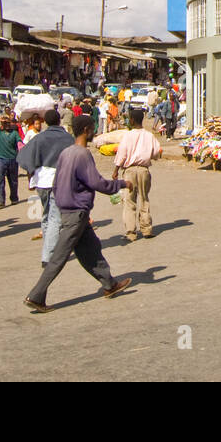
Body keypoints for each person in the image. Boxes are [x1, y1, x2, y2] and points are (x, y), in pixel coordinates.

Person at [24, 118, 133, 312]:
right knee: (59, 256)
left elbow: (56, 183)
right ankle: (36, 295)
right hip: (76, 212)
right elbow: (97, 183)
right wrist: (122, 184)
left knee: (90, 249)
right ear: (85, 130)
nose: (93, 132)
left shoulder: (66, 153)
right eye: (91, 129)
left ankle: (109, 284)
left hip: (69, 208)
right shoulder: (83, 155)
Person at [17, 108, 72, 265]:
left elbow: (23, 157)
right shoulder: (67, 138)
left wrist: (33, 171)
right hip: (58, 181)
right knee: (55, 218)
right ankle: (48, 256)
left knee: (47, 216)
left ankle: (47, 248)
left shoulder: (39, 138)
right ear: (59, 121)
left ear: (45, 122)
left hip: (41, 182)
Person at [110, 110, 159, 241]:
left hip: (130, 171)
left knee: (129, 200)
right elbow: (156, 153)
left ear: (132, 120)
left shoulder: (128, 136)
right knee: (144, 198)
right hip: (144, 170)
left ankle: (131, 232)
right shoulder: (149, 136)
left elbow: (122, 154)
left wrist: (116, 170)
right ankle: (146, 228)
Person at [0, 114, 21, 209]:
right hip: (0, 159)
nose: (7, 124)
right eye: (4, 123)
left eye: (8, 122)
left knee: (13, 181)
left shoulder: (14, 133)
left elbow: (19, 143)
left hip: (12, 159)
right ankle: (0, 200)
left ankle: (14, 198)